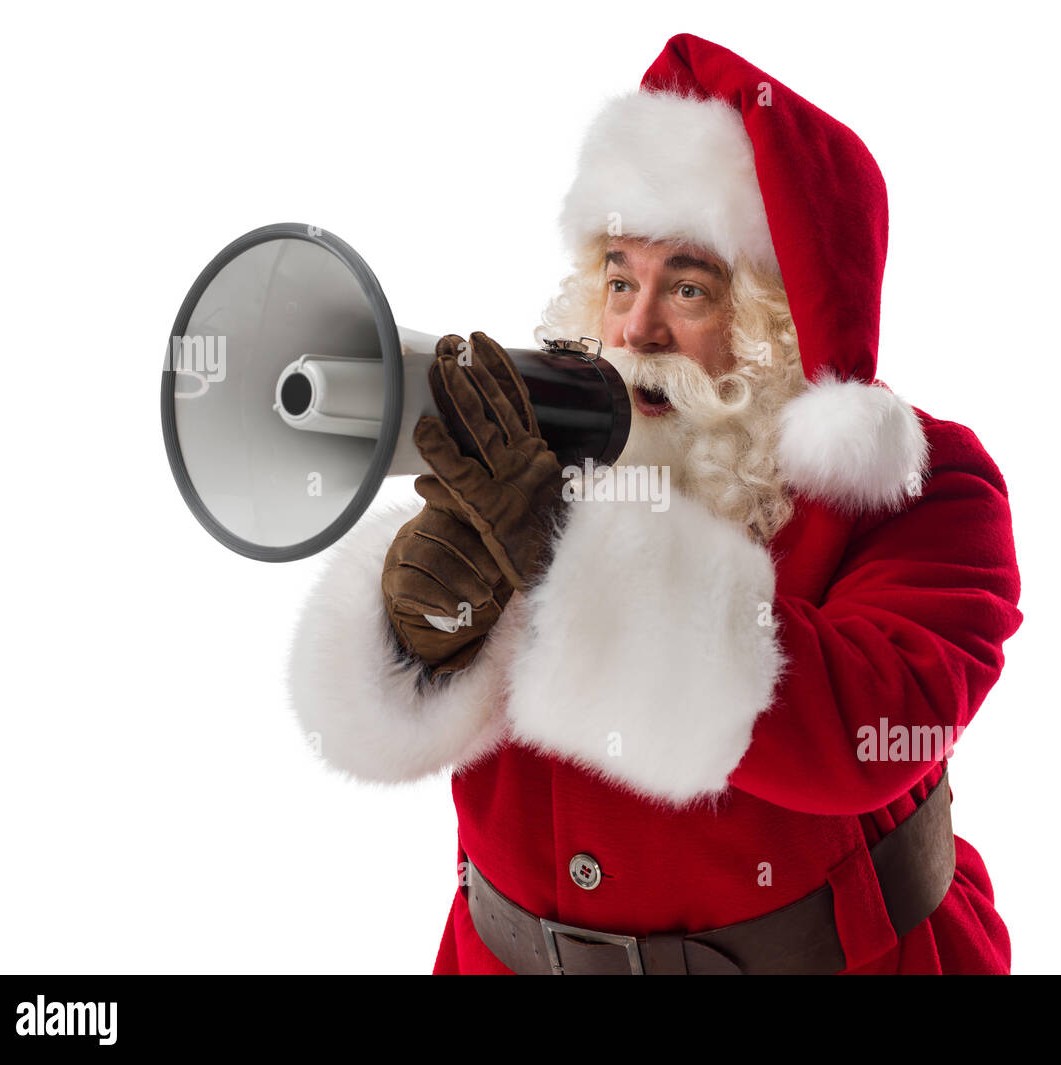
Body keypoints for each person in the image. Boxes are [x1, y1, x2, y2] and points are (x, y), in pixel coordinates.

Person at [287, 33, 1023, 974]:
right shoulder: (537, 454)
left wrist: (567, 555)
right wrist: (421, 629)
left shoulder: (923, 490)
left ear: (779, 315)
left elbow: (865, 729)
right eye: (619, 279)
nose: (636, 326)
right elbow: (391, 718)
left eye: (687, 285)